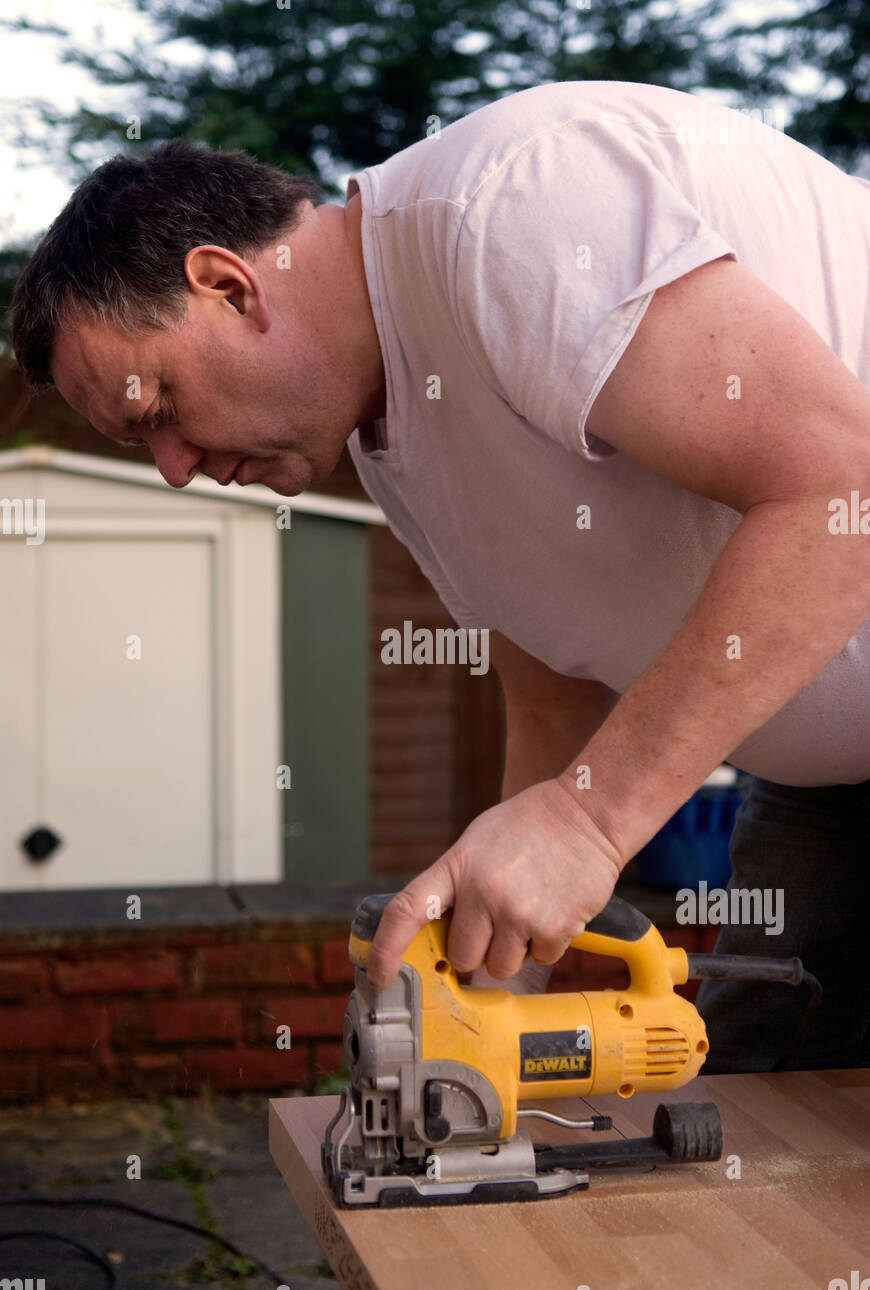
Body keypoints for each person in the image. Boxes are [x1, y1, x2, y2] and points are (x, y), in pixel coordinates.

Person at [11, 81, 870, 1072]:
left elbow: (840, 493)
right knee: (756, 1121)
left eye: (156, 405)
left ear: (229, 286)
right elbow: (560, 697)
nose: (172, 467)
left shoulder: (510, 208)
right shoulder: (390, 436)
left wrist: (589, 824)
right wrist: (477, 1006)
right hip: (821, 787)